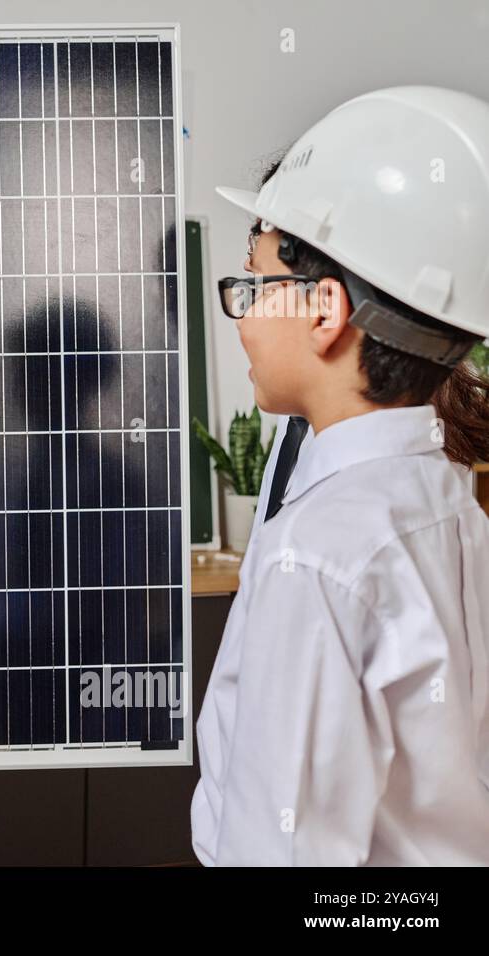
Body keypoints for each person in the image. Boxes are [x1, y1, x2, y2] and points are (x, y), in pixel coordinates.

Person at [192, 86, 489, 865]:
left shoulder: (317, 558)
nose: (243, 314)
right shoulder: (454, 508)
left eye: (253, 285)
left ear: (324, 312)